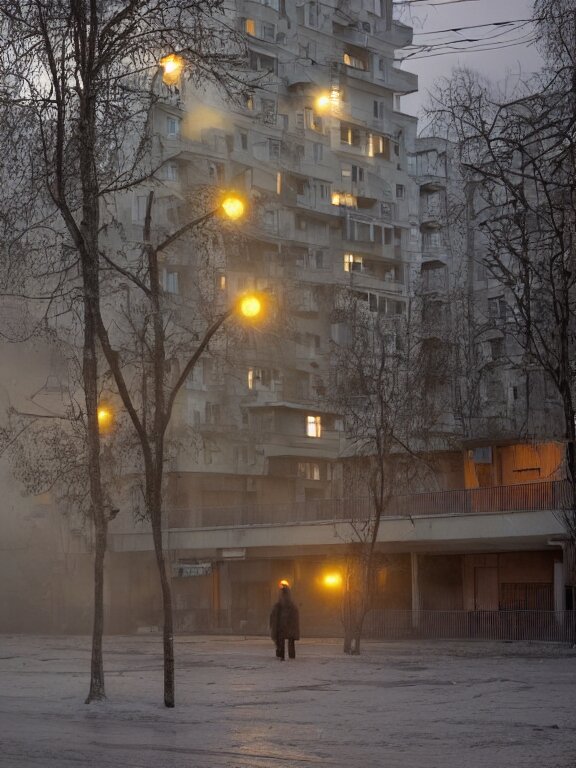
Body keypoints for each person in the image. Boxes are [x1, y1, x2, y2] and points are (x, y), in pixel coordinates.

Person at [269, 582, 300, 660]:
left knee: (282, 640)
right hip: (284, 625)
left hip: (282, 626)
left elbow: (273, 616)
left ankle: (281, 654)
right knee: (287, 641)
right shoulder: (290, 606)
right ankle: (287, 655)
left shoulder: (280, 606)